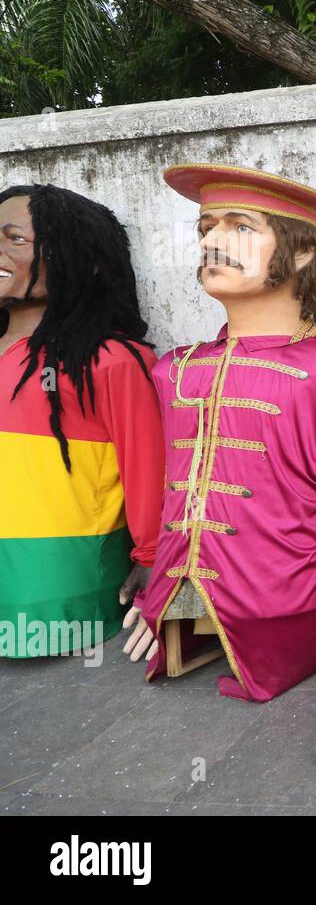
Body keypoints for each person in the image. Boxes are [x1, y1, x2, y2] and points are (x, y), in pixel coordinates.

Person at [122, 164, 316, 702]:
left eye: (240, 227)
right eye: (206, 228)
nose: (213, 241)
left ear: (303, 252)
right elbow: (166, 487)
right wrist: (157, 586)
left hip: (283, 615)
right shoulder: (174, 370)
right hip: (180, 602)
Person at [0, 184, 164, 657]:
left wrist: (153, 560)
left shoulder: (111, 361)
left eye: (16, 239)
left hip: (56, 606)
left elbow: (146, 468)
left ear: (81, 257)